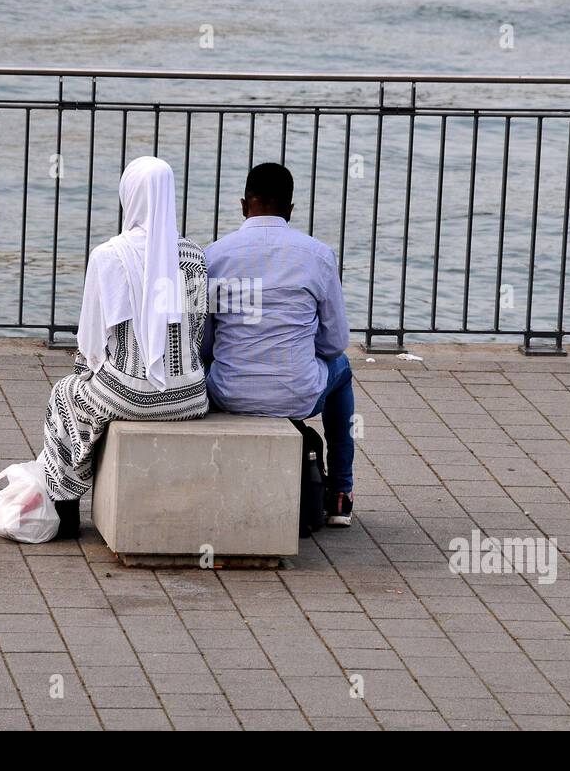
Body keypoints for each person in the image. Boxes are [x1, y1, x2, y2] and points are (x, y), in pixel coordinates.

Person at [39, 156, 210, 539]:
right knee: (89, 391)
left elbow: (91, 342)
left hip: (131, 395)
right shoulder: (195, 256)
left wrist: (89, 371)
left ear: (129, 196)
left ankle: (65, 503)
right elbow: (197, 333)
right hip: (191, 396)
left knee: (65, 395)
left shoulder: (109, 255)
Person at [202, 162, 355, 527]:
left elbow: (205, 345)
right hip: (297, 394)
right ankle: (340, 494)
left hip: (228, 392)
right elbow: (335, 342)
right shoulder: (317, 255)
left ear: (243, 205)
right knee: (343, 369)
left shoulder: (214, 256)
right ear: (290, 209)